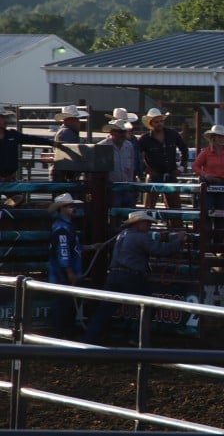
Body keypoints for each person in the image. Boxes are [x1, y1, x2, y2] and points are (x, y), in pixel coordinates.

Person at [83, 210, 186, 345]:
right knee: (148, 306)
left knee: (104, 311)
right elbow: (161, 250)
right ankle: (137, 339)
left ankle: (88, 341)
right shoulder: (140, 237)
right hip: (131, 277)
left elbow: (141, 247)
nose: (149, 226)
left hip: (114, 275)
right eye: (147, 223)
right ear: (138, 224)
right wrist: (178, 240)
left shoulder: (123, 235)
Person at [0, 107, 58, 206]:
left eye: (5, 118)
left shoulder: (12, 135)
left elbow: (31, 139)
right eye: (2, 117)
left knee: (18, 201)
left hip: (9, 179)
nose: (5, 120)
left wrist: (51, 142)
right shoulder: (11, 136)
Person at [47, 192, 85, 333]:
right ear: (61, 209)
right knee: (63, 309)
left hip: (62, 275)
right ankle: (60, 337)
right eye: (69, 206)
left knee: (66, 308)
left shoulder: (64, 226)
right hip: (62, 277)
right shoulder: (62, 228)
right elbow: (63, 252)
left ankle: (61, 336)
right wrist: (69, 272)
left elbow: (68, 248)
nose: (72, 208)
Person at [138, 108, 188, 212]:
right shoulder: (144, 139)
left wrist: (181, 167)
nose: (160, 124)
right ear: (151, 123)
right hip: (154, 175)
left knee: (175, 207)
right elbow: (136, 156)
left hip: (171, 173)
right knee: (149, 207)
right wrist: (145, 168)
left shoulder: (173, 134)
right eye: (157, 122)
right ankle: (146, 227)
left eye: (161, 121)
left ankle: (176, 228)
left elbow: (184, 149)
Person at [192, 124, 224, 225]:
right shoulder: (206, 152)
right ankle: (208, 237)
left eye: (223, 136)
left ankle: (218, 238)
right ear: (213, 138)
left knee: (221, 213)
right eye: (219, 136)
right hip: (208, 183)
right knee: (207, 212)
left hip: (223, 184)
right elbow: (195, 166)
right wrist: (205, 175)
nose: (222, 139)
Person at [98, 118, 139, 209]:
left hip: (126, 187)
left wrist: (131, 185)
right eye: (119, 132)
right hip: (111, 189)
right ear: (112, 133)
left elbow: (131, 167)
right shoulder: (102, 146)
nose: (122, 135)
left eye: (124, 132)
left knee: (129, 213)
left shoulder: (129, 146)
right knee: (114, 214)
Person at [51, 105, 86, 184]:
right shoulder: (67, 133)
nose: (78, 122)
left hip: (63, 172)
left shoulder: (65, 132)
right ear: (68, 121)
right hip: (65, 174)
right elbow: (70, 153)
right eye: (76, 119)